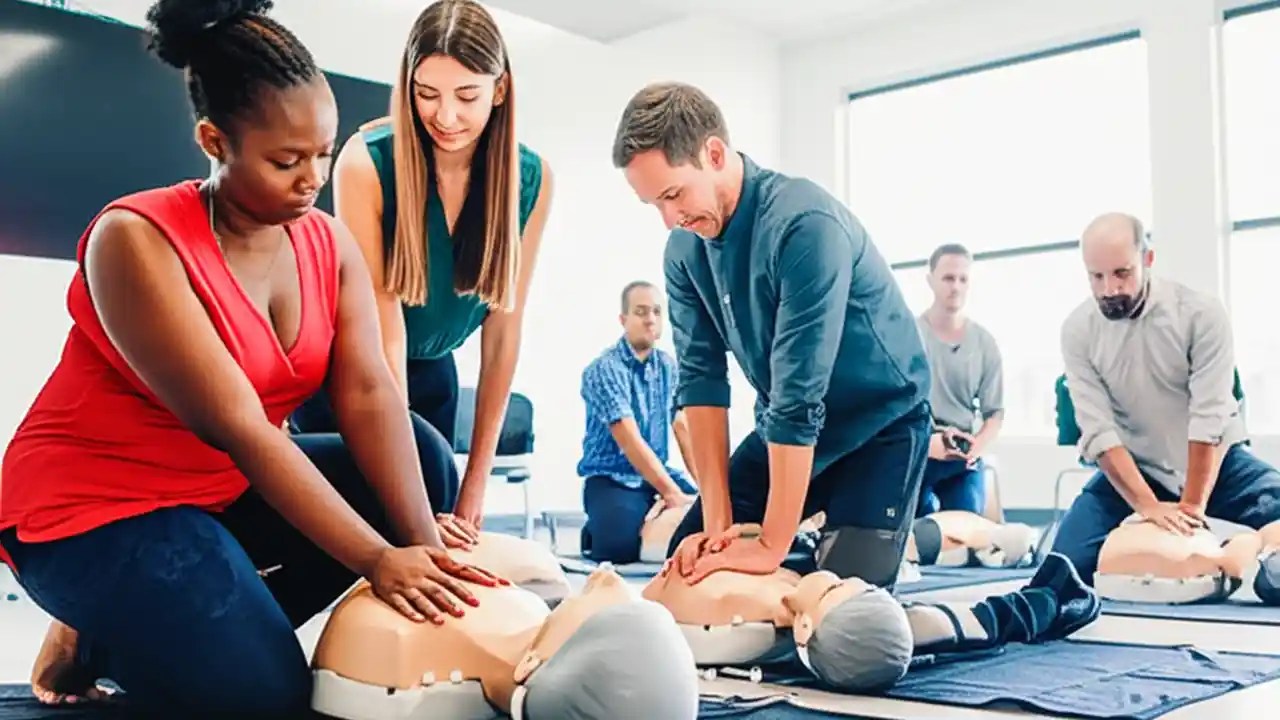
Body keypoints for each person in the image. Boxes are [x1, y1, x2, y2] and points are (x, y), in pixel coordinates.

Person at [0, 1, 500, 715]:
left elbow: (369, 393)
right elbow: (241, 425)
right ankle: (106, 629)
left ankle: (177, 628)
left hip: (215, 497)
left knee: (420, 455)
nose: (312, 180)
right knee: (265, 697)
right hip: (93, 511)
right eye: (285, 160)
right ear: (214, 140)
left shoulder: (329, 245)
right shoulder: (133, 239)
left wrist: (427, 556)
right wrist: (376, 560)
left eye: (323, 155)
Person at [611, 82, 932, 589]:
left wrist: (768, 548)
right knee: (690, 567)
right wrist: (718, 529)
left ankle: (877, 544)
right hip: (787, 432)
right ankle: (812, 544)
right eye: (654, 204)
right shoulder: (683, 250)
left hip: (880, 426)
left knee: (844, 614)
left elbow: (798, 394)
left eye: (673, 195)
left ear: (713, 153)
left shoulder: (805, 223)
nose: (670, 218)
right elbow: (701, 384)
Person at [289, 0, 555, 529]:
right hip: (347, 370)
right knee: (381, 522)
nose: (446, 116)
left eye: (467, 95)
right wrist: (408, 485)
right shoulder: (367, 161)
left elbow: (503, 331)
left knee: (440, 510)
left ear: (499, 90)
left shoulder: (533, 180)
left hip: (433, 373)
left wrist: (475, 484)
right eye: (427, 93)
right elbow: (382, 330)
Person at [1050, 212, 1280, 584]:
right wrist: (1147, 506)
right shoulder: (1078, 331)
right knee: (1062, 570)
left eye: (1122, 273)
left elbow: (1211, 419)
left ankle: (1240, 547)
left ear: (1147, 260)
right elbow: (1098, 432)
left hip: (1215, 466)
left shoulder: (1201, 314)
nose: (1109, 289)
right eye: (1097, 276)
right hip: (1135, 469)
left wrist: (1191, 510)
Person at [312, 564, 699, 720]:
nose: (607, 575)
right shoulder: (528, 607)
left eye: (583, 599)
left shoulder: (384, 635)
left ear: (534, 663)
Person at [577, 280, 698, 563]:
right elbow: (630, 441)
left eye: (656, 312)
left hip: (655, 475)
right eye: (641, 312)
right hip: (612, 479)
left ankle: (649, 509)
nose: (650, 319)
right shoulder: (604, 370)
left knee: (712, 517)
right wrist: (671, 494)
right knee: (618, 549)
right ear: (624, 319)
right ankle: (597, 527)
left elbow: (682, 427)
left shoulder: (668, 366)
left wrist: (706, 488)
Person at [915, 243, 1004, 516]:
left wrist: (974, 448)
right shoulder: (911, 336)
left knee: (965, 527)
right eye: (948, 278)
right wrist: (931, 442)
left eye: (962, 279)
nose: (955, 286)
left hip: (962, 455)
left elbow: (994, 414)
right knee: (915, 522)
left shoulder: (984, 344)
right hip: (919, 450)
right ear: (931, 281)